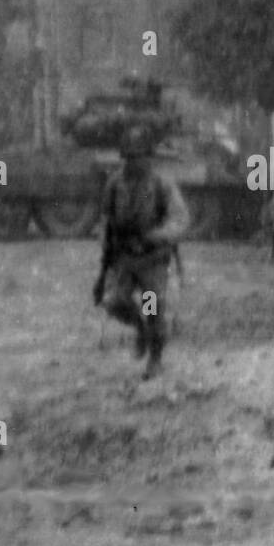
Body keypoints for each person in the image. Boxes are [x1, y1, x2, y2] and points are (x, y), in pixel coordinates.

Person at [93, 125, 189, 379]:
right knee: (114, 302)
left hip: (151, 259)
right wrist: (106, 242)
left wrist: (153, 237)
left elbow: (179, 220)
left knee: (152, 307)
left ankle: (155, 359)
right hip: (123, 257)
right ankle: (140, 328)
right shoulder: (115, 183)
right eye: (129, 156)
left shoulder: (161, 183)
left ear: (149, 156)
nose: (134, 162)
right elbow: (105, 217)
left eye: (139, 156)